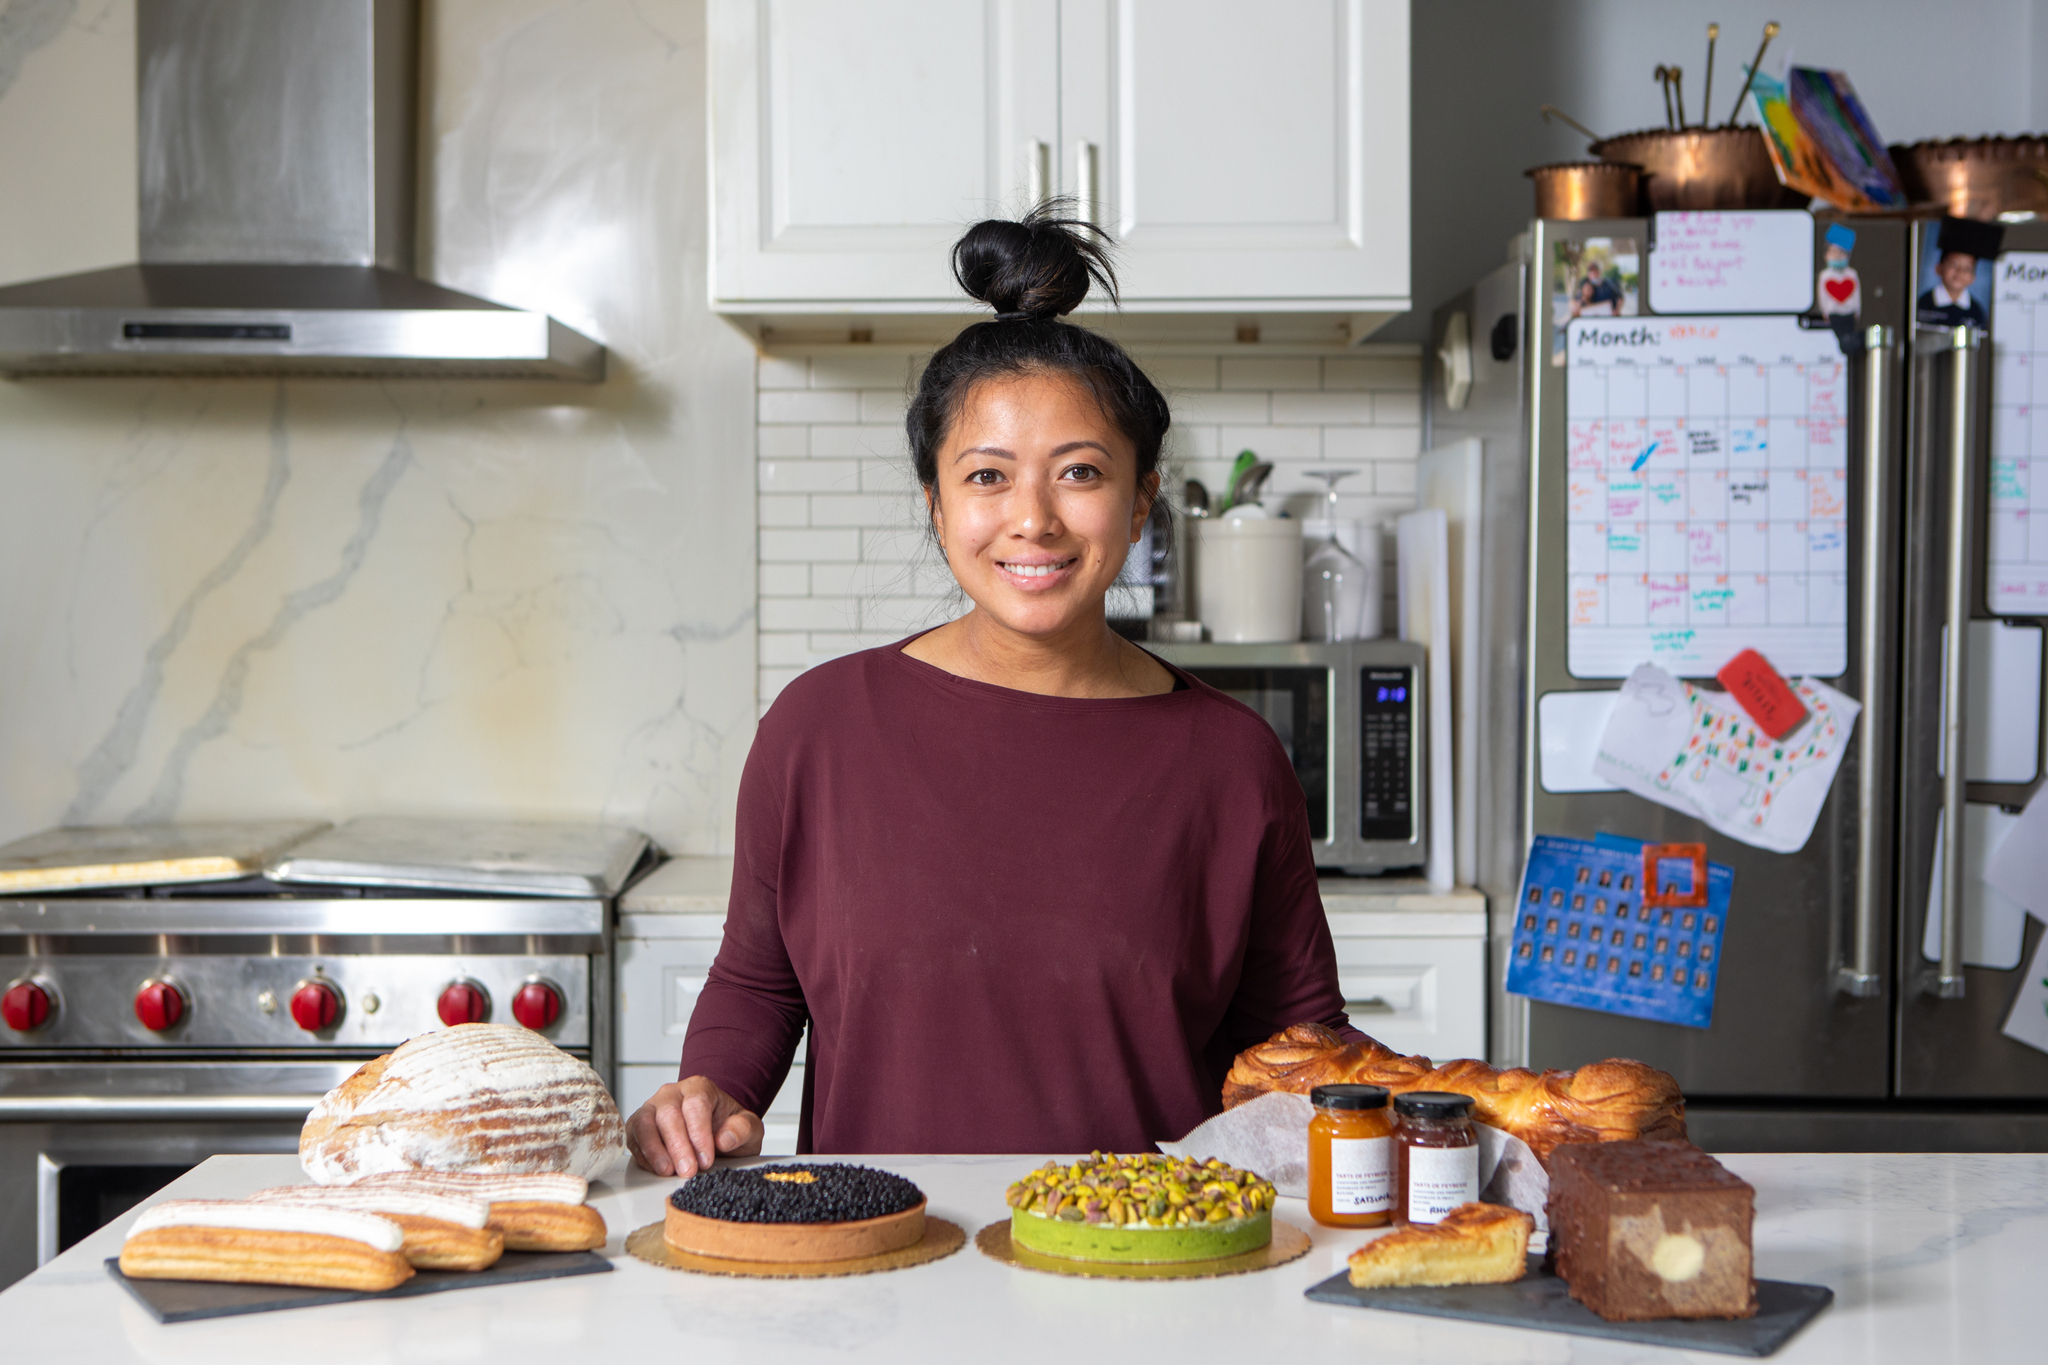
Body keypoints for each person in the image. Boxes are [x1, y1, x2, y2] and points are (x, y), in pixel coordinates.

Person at [626, 203, 1357, 1177]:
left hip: (1153, 1281)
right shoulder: (820, 729)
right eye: (986, 476)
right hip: (884, 1264)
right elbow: (761, 981)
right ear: (934, 504)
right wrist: (711, 1090)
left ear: (1140, 500)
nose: (1033, 520)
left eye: (1080, 473)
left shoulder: (1229, 760)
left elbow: (1299, 1057)